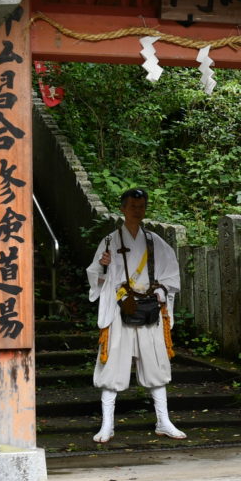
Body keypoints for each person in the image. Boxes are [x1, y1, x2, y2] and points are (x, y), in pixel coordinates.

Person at [87, 187, 186, 443]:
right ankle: (107, 425)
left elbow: (171, 273)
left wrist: (161, 291)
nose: (137, 210)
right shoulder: (109, 241)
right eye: (132, 206)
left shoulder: (155, 241)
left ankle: (163, 421)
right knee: (112, 366)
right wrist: (104, 267)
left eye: (141, 206)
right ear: (122, 208)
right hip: (120, 309)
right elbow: (94, 275)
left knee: (156, 365)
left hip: (149, 310)